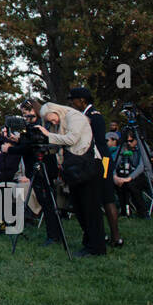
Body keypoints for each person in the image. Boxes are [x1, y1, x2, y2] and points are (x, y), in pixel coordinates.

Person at [38, 101, 102, 256]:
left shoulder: (75, 117)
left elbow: (71, 139)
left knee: (89, 208)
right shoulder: (58, 123)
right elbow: (57, 145)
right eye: (49, 121)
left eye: (52, 118)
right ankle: (88, 243)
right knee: (79, 208)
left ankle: (96, 246)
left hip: (87, 166)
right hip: (73, 168)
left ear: (56, 110)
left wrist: (48, 135)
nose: (52, 122)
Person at [67, 87, 122, 248]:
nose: (72, 103)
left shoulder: (93, 116)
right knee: (96, 198)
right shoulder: (85, 116)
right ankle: (101, 233)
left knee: (106, 197)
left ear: (82, 100)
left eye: (74, 100)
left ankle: (115, 236)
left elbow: (95, 141)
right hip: (93, 159)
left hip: (102, 159)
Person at [110, 134, 149, 217]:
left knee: (132, 184)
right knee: (117, 184)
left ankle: (142, 210)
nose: (128, 143)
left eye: (131, 141)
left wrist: (129, 178)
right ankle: (124, 210)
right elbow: (113, 162)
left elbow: (142, 166)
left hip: (143, 176)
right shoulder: (124, 147)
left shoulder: (143, 147)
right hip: (125, 173)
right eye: (127, 141)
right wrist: (115, 176)